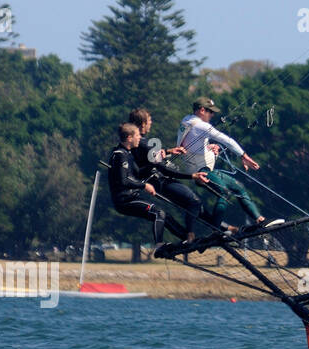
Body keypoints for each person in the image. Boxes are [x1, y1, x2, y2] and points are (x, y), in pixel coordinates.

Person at [174, 97, 269, 230]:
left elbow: (192, 144)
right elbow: (227, 140)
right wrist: (243, 155)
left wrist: (210, 146)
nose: (212, 115)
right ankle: (216, 229)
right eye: (210, 112)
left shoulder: (187, 120)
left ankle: (259, 219)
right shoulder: (202, 126)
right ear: (202, 110)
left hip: (203, 169)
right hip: (202, 171)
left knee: (239, 188)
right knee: (223, 192)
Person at [107, 123, 210, 244]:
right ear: (129, 138)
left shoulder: (127, 153)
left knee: (166, 216)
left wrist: (160, 158)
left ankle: (189, 241)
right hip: (124, 200)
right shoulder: (120, 155)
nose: (140, 138)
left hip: (132, 197)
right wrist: (144, 185)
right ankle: (159, 246)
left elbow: (138, 173)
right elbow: (124, 180)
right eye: (137, 135)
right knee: (158, 213)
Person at [128, 108, 215, 240]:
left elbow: (149, 158)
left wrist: (168, 151)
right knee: (194, 202)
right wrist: (192, 176)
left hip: (156, 181)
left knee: (196, 207)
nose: (151, 123)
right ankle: (190, 236)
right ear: (143, 124)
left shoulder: (138, 142)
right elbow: (164, 169)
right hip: (160, 181)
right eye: (149, 120)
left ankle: (224, 230)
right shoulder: (145, 143)